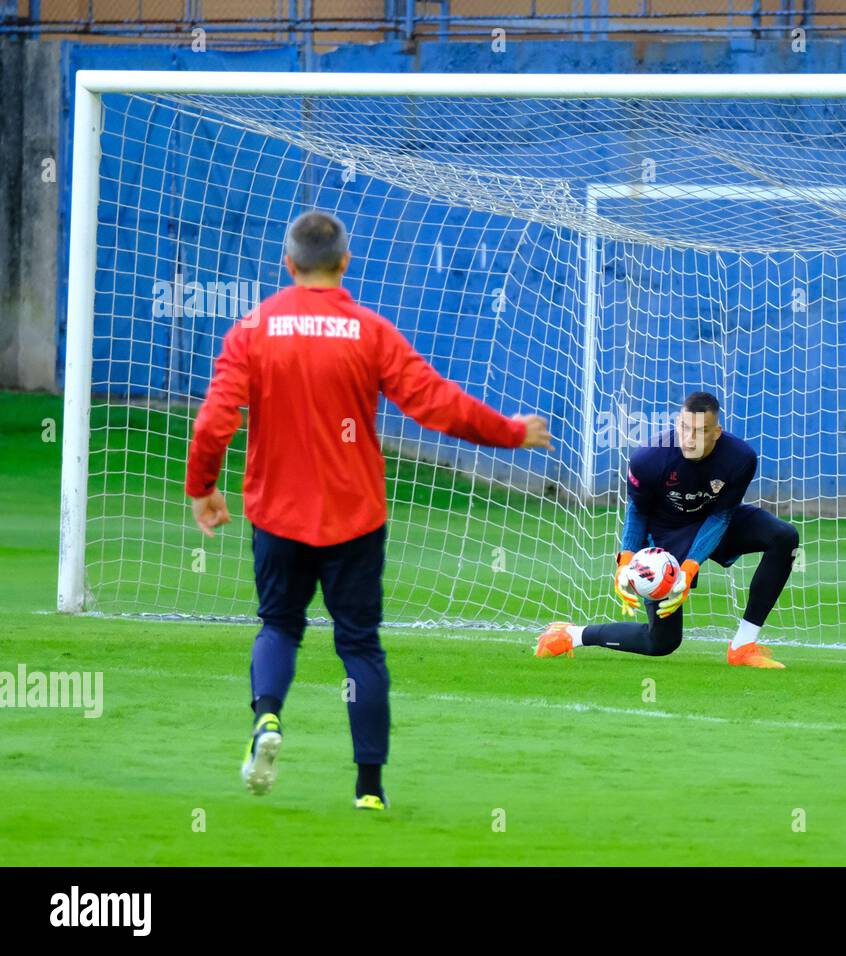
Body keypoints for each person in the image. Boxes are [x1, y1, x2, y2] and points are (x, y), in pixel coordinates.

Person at [185, 210, 553, 810]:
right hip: (354, 518)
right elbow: (435, 404)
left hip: (277, 515)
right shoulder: (369, 331)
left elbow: (216, 417)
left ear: (288, 263)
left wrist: (203, 485)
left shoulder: (252, 328)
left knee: (279, 625)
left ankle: (269, 719)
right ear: (345, 263)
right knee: (359, 645)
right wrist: (509, 433)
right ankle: (369, 790)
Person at [536, 391, 795, 669]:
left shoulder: (740, 458)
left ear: (717, 432)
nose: (689, 438)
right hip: (665, 535)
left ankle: (743, 646)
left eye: (699, 431)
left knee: (784, 537)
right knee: (661, 642)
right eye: (684, 428)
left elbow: (721, 517)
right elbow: (637, 512)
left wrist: (691, 566)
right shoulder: (648, 459)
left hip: (714, 524)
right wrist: (625, 562)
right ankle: (572, 634)